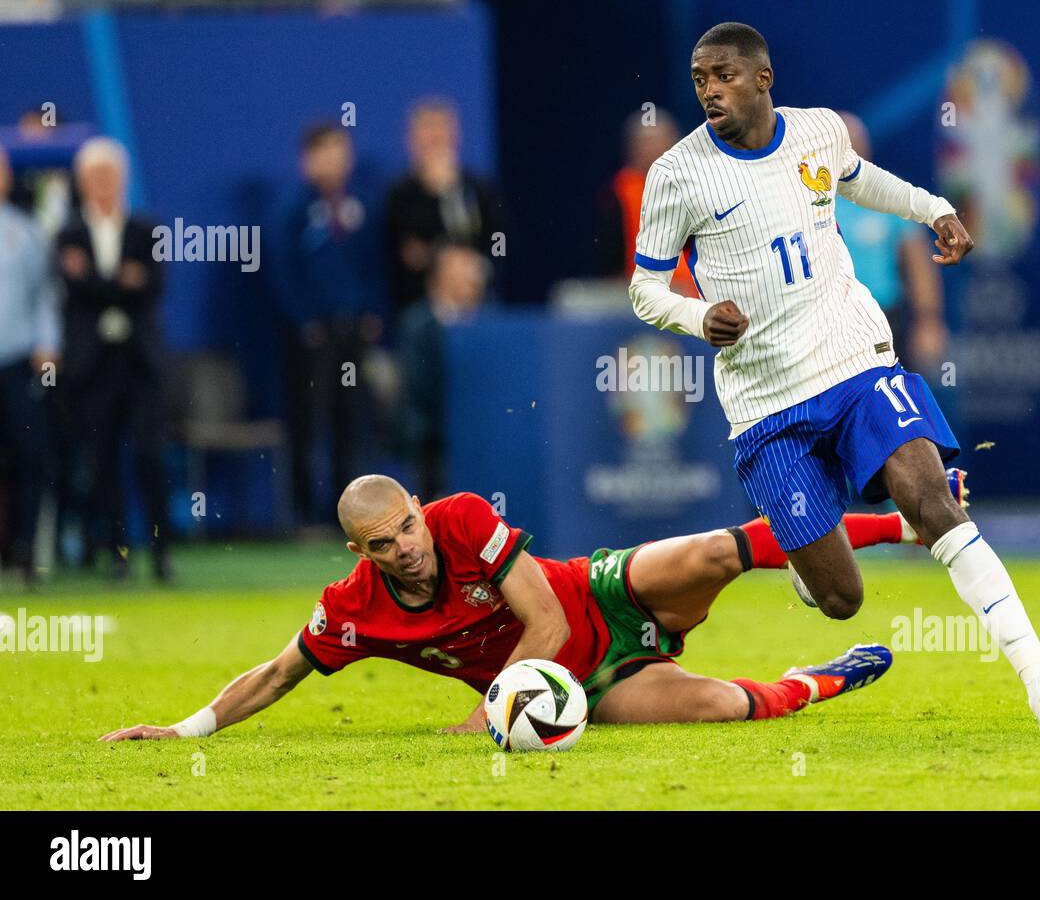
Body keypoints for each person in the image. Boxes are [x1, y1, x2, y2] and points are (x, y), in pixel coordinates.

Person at [628, 22, 1040, 733]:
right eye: (699, 79)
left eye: (722, 75)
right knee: (842, 597)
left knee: (932, 498)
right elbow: (645, 288)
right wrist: (696, 319)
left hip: (853, 357)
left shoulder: (818, 133)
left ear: (763, 78)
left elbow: (862, 180)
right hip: (764, 400)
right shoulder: (677, 174)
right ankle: (814, 559)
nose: (709, 91)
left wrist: (933, 208)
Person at [98, 473, 976, 742]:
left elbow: (546, 625)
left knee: (715, 551)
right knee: (719, 708)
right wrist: (186, 733)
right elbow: (281, 671)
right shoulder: (355, 611)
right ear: (360, 554)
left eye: (408, 525)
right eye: (386, 543)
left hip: (595, 592)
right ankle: (814, 683)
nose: (409, 545)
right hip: (590, 686)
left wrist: (493, 712)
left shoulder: (462, 520)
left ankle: (904, 521)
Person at [57, 137, 172, 582]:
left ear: (122, 180)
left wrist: (95, 281)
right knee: (102, 461)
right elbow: (74, 292)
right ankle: (116, 555)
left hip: (140, 362)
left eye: (110, 176)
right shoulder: (68, 234)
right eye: (94, 177)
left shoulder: (146, 229)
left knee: (150, 456)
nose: (103, 185)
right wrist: (121, 283)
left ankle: (162, 555)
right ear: (82, 183)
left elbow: (152, 287)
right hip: (92, 365)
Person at [270, 125, 385, 525]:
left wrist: (373, 311)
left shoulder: (362, 204)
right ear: (309, 159)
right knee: (308, 420)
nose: (335, 162)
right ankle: (304, 514)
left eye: (341, 152)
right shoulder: (292, 207)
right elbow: (283, 269)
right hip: (312, 336)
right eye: (326, 153)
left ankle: (352, 515)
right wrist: (304, 320)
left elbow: (375, 263)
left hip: (353, 331)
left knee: (350, 420)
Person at [835, 112, 947, 371]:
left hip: (886, 320)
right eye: (843, 144)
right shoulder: (812, 200)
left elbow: (918, 263)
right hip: (830, 325)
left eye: (856, 143)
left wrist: (928, 321)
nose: (851, 151)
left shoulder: (887, 196)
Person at [384, 99, 506, 312]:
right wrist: (435, 197)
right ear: (412, 141)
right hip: (420, 307)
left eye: (441, 132)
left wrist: (483, 266)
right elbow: (403, 253)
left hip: (477, 303)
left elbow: (500, 242)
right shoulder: (400, 195)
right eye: (428, 133)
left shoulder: (477, 189)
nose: (436, 140)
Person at [0, 144, 58, 585]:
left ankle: (23, 552)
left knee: (30, 455)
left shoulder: (27, 232)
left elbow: (45, 296)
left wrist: (46, 343)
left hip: (17, 362)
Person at [396, 240, 491, 496]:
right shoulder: (417, 324)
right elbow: (417, 389)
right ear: (440, 276)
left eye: (473, 267)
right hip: (434, 433)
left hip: (483, 428)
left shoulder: (491, 321)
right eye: (461, 267)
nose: (472, 274)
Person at [595, 110, 696, 294]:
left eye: (660, 142)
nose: (652, 150)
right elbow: (609, 262)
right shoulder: (618, 194)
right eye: (645, 144)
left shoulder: (699, 188)